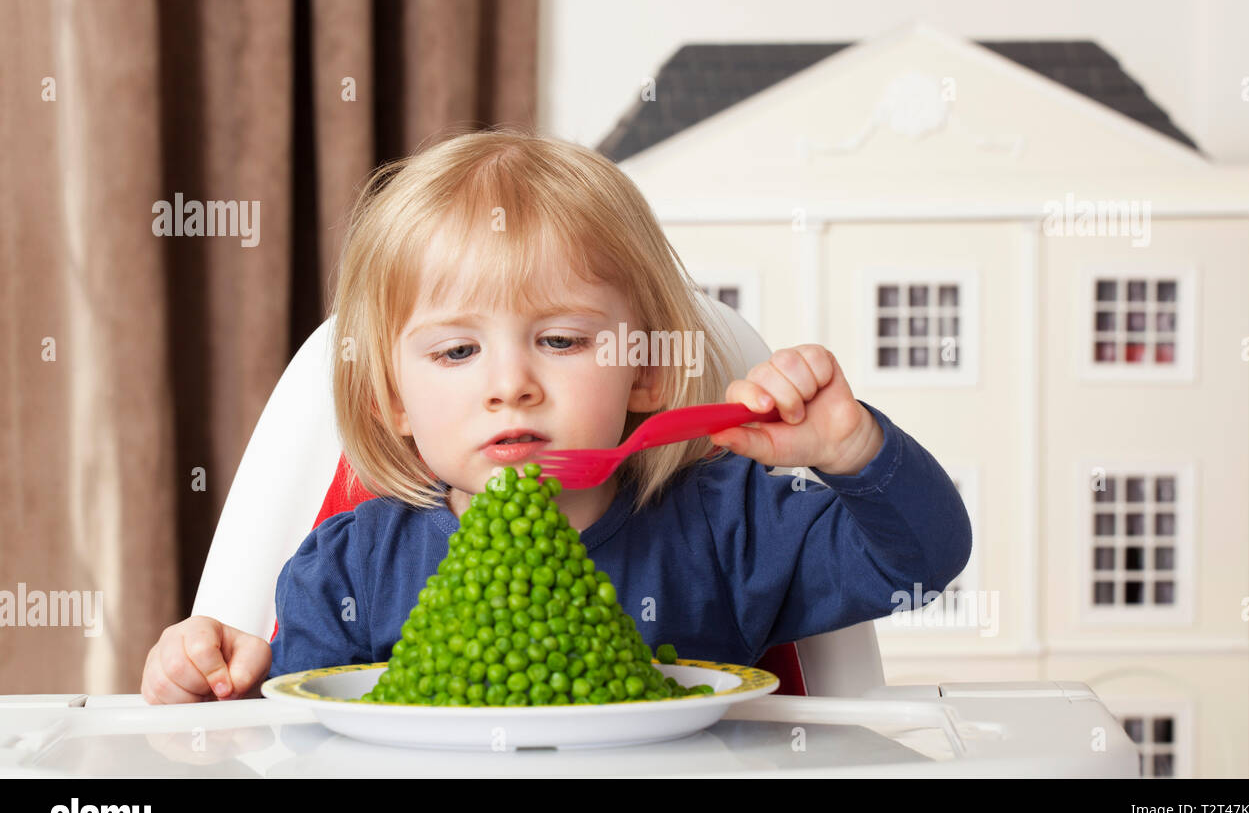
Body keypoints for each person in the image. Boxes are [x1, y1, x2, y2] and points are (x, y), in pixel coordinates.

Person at [140, 126, 971, 704]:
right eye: (457, 353)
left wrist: (850, 446)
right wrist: (225, 684)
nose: (512, 385)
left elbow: (923, 558)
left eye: (563, 340)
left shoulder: (729, 529)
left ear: (644, 372)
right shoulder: (348, 573)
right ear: (390, 400)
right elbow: (305, 738)